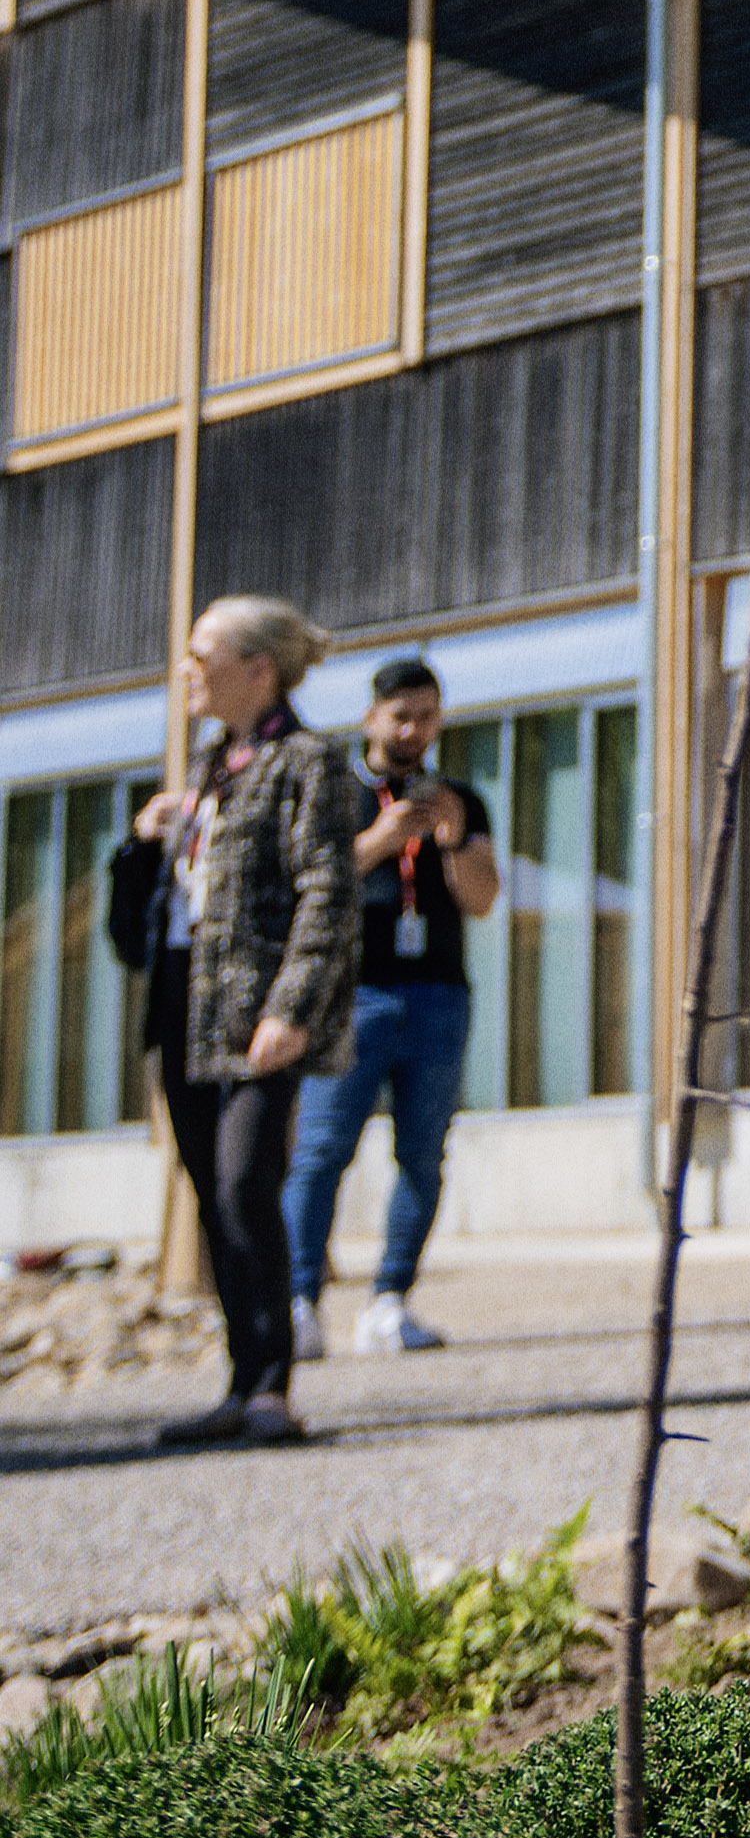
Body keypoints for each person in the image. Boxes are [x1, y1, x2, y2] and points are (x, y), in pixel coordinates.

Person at [116, 595, 368, 1450]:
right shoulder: (213, 766)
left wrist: (291, 1009)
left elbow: (329, 894)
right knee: (213, 1199)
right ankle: (240, 1380)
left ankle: (271, 1388)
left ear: (256, 668)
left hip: (257, 1013)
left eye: (201, 654)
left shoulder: (307, 763)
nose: (187, 670)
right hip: (186, 1010)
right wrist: (151, 837)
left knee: (242, 1183)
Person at [279, 655, 501, 1360]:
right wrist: (385, 836)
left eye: (427, 715)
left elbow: (483, 898)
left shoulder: (459, 796)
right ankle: (299, 1302)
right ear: (372, 717)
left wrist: (453, 838)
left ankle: (389, 1301)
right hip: (352, 993)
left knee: (422, 1153)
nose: (414, 729)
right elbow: (309, 882)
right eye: (401, 714)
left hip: (437, 994)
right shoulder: (335, 792)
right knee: (320, 1150)